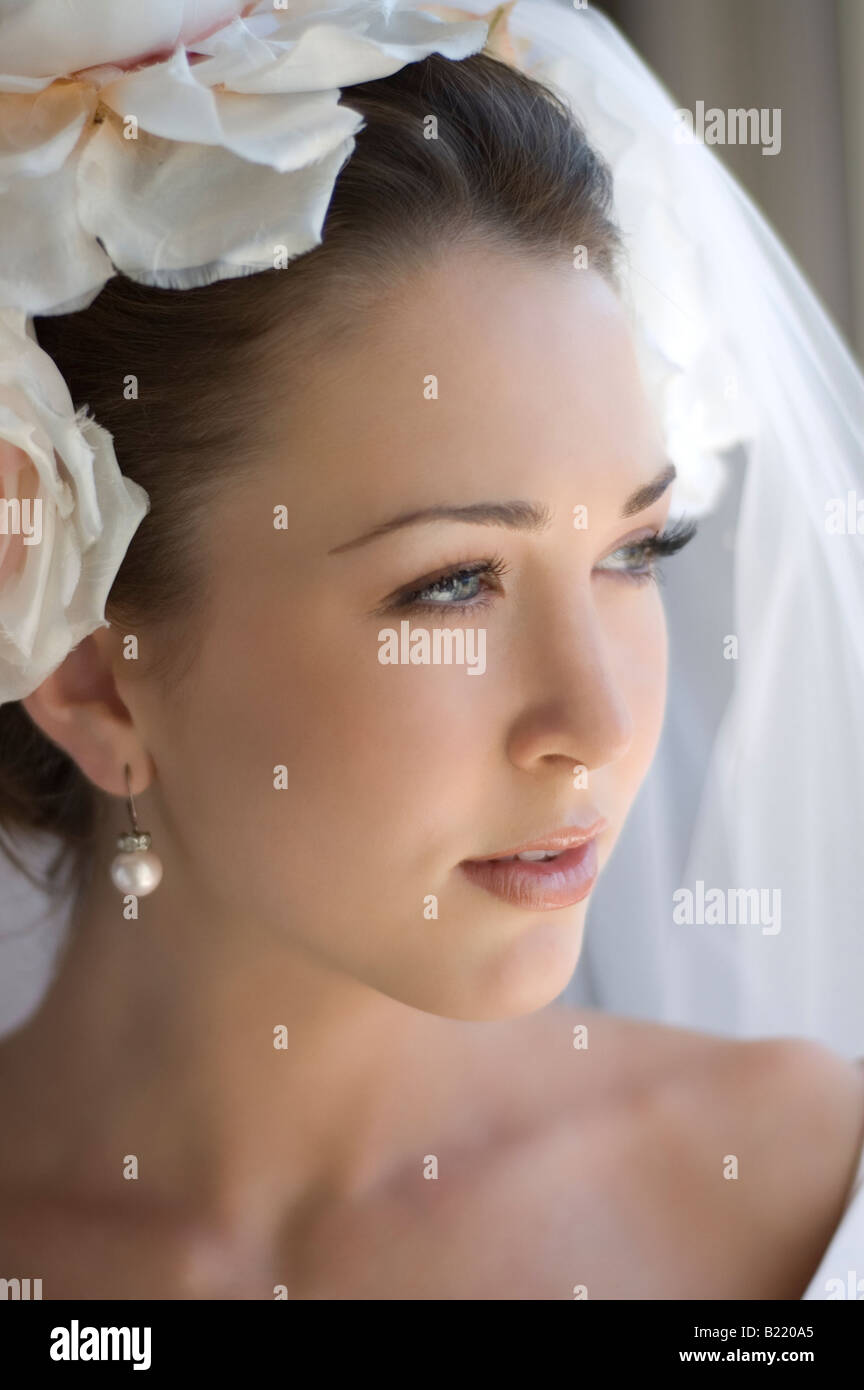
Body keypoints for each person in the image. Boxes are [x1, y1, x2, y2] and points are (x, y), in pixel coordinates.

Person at [0, 0, 862, 1300]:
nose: (599, 722)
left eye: (635, 550)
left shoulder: (806, 1204)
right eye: (454, 584)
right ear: (89, 671)